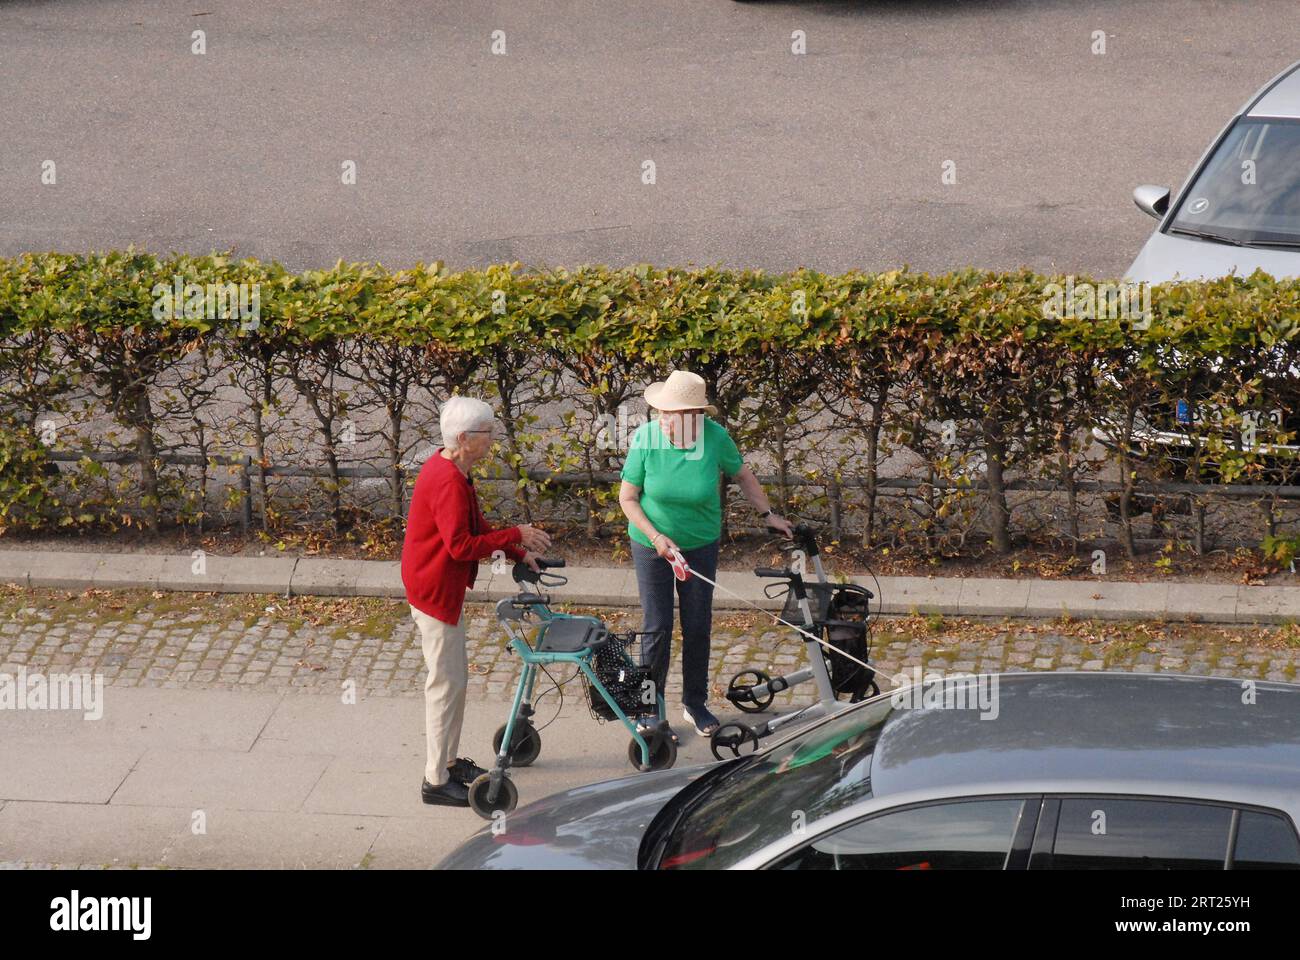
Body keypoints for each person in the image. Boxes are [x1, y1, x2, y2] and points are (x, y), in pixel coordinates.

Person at [618, 370, 793, 738]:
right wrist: (656, 536)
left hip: (699, 545)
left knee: (698, 626)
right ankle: (650, 706)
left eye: (673, 414)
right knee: (657, 628)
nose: (664, 421)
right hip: (652, 544)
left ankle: (694, 703)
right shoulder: (646, 437)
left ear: (695, 415)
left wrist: (768, 514)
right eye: (662, 413)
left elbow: (744, 476)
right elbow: (628, 498)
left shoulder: (715, 438)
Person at [401, 396, 551, 807]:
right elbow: (461, 545)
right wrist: (515, 534)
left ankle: (447, 763)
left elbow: (475, 526)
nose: (493, 440)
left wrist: (519, 550)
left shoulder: (453, 468)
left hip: (437, 589)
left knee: (455, 683)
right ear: (465, 438)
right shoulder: (448, 479)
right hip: (436, 593)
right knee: (445, 686)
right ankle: (435, 779)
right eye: (488, 433)